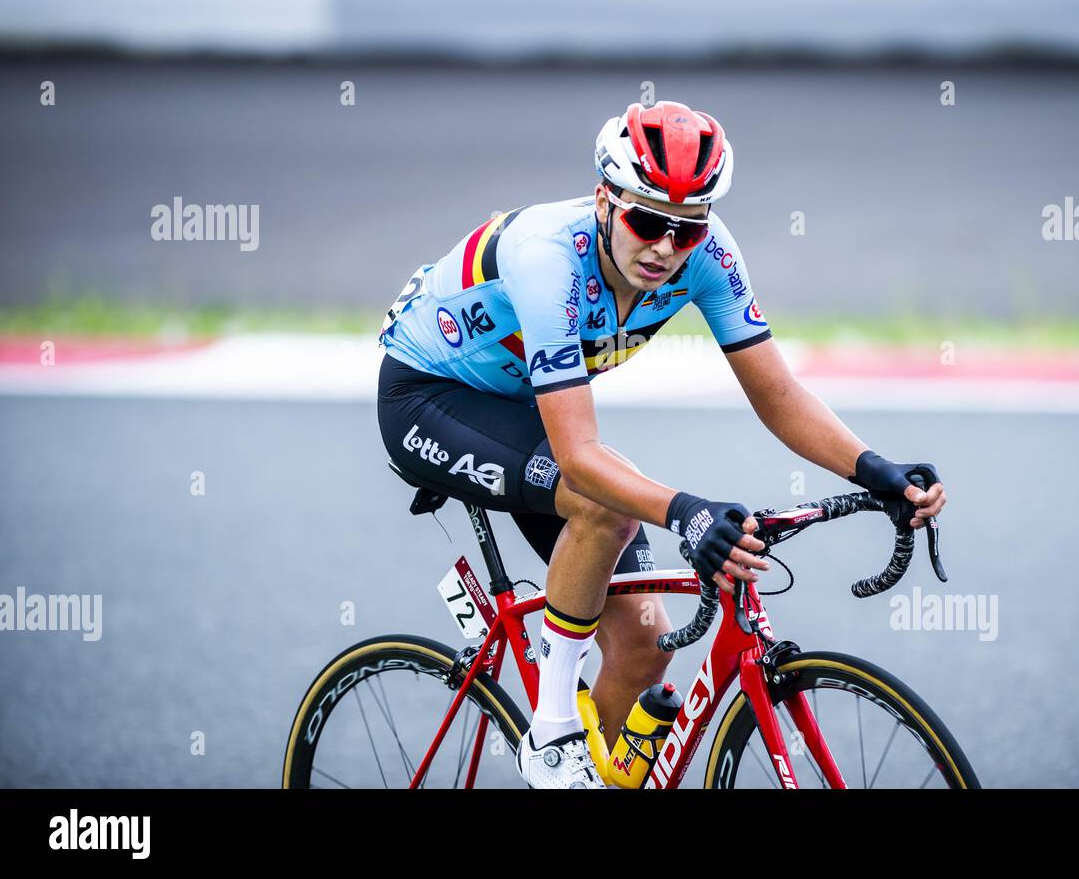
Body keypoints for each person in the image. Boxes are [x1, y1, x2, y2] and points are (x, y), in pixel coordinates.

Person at [376, 100, 947, 788]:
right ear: (605, 201)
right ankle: (552, 735)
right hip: (429, 397)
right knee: (605, 508)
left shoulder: (706, 253)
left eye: (687, 229)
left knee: (647, 646)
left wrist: (875, 469)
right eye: (647, 221)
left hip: (523, 405)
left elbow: (779, 396)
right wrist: (686, 511)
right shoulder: (547, 259)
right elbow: (580, 457)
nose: (665, 248)